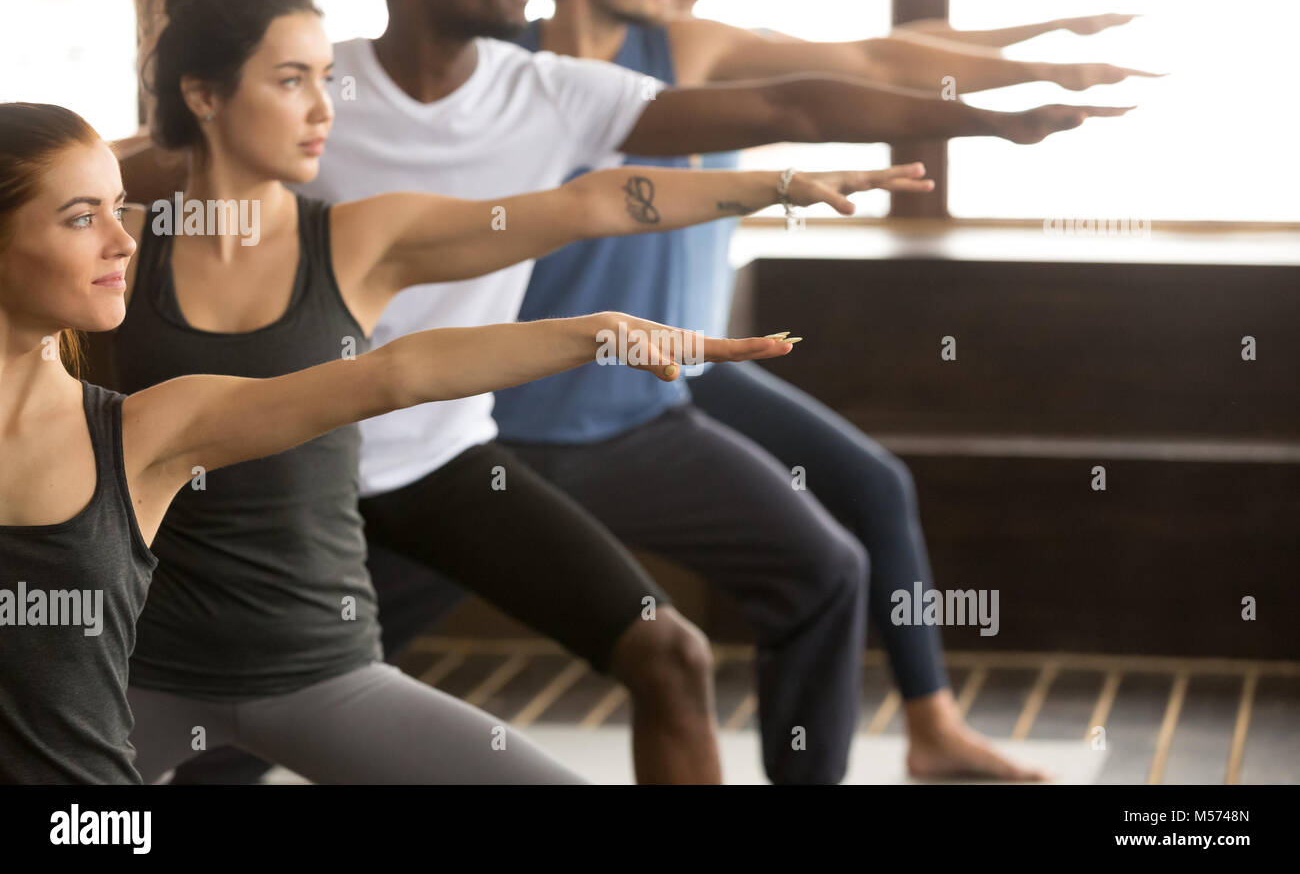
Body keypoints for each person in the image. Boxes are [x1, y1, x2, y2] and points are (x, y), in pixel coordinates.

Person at [125, 0, 1126, 785]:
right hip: (292, 483)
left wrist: (806, 176)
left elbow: (605, 195)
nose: (320, 108)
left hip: (439, 452)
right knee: (231, 720)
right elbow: (119, 166)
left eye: (319, 83)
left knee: (666, 651)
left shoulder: (486, 135)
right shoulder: (198, 178)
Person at [493, 0, 1150, 780]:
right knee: (341, 647)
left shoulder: (690, 47)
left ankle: (926, 725)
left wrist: (1028, 70)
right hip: (515, 405)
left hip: (664, 388)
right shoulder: (511, 72)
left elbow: (880, 59)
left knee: (847, 527)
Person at [0, 101, 801, 783]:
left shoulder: (145, 432)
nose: (124, 238)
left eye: (118, 205)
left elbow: (394, 374)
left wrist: (596, 334)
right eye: (83, 217)